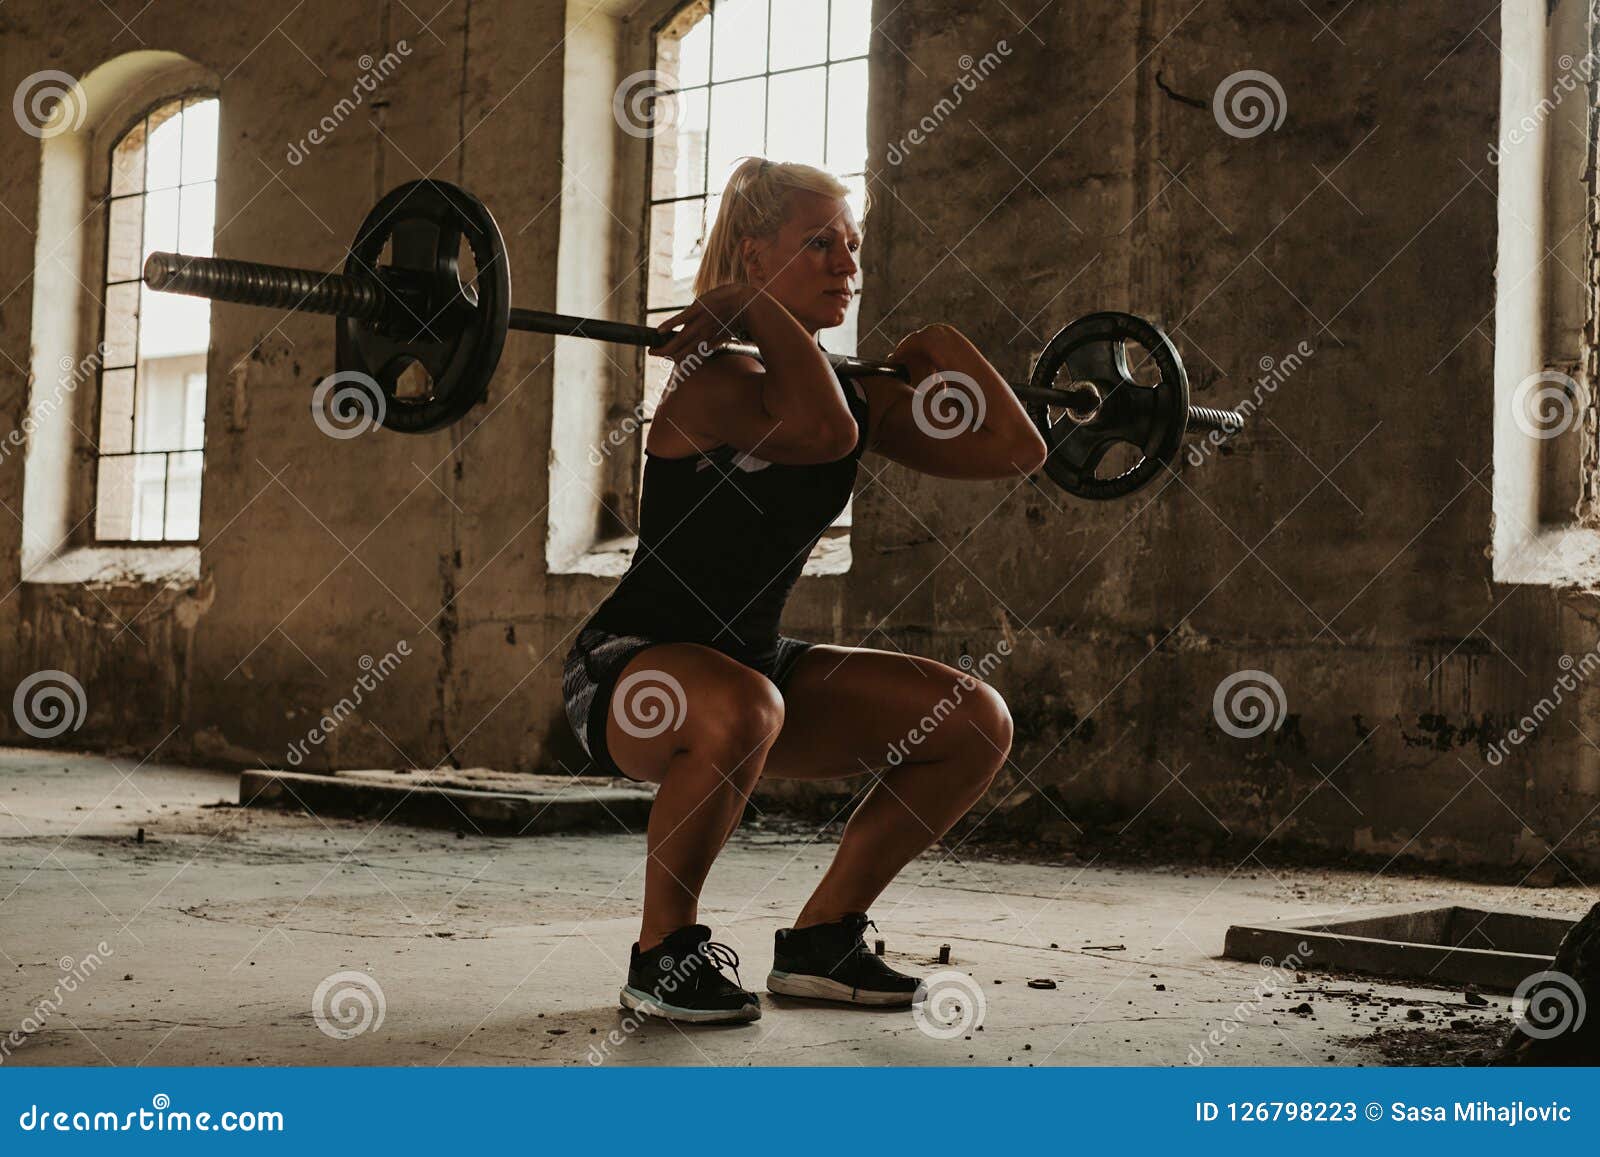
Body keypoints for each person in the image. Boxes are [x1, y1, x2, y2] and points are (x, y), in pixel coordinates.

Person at [562, 157, 1049, 1024]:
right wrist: (747, 314)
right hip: (627, 674)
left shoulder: (851, 392)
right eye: (819, 242)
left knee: (975, 719)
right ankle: (662, 953)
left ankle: (825, 940)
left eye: (853, 245)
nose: (846, 264)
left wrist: (940, 347)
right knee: (744, 704)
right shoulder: (712, 381)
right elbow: (821, 432)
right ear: (753, 259)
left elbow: (1018, 450)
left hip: (754, 677)